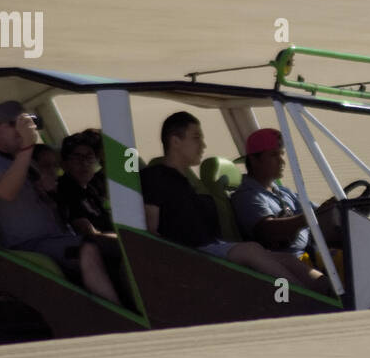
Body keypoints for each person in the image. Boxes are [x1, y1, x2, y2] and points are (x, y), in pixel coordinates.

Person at [140, 112, 329, 291]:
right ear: (175, 141)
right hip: (192, 255)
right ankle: (299, 298)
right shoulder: (155, 176)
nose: (203, 145)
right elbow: (150, 232)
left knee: (288, 260)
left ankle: (331, 295)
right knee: (251, 250)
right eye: (196, 137)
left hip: (212, 248)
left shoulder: (186, 183)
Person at [0, 101, 122, 305]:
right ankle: (114, 315)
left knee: (123, 244)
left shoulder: (23, 161)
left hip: (57, 238)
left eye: (25, 124)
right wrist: (27, 148)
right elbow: (5, 191)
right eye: (13, 124)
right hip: (29, 246)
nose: (20, 130)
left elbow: (53, 198)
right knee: (90, 248)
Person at [231, 127, 339, 253]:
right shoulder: (247, 196)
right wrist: (311, 217)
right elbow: (268, 231)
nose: (282, 161)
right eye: (273, 155)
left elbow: (315, 211)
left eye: (281, 154)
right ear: (254, 160)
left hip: (315, 253)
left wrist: (331, 209)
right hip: (288, 263)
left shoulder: (284, 192)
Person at [56, 132, 112, 236]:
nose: (84, 163)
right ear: (64, 164)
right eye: (77, 157)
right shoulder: (63, 191)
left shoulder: (91, 189)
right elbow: (85, 229)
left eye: (89, 157)